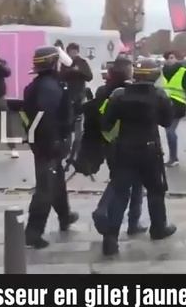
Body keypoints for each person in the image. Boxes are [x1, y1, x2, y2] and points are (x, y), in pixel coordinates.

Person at [100, 58, 176, 256]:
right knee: (155, 191)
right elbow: (167, 122)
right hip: (150, 149)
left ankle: (110, 238)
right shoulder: (159, 95)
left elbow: (106, 123)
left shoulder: (119, 95)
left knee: (120, 193)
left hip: (125, 149)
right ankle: (158, 228)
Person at [22, 46, 79, 249]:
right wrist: (54, 142)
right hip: (48, 143)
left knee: (57, 180)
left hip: (42, 141)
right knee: (46, 188)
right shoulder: (49, 88)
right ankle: (33, 232)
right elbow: (46, 117)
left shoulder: (41, 84)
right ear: (53, 63)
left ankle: (65, 216)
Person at [91, 58, 147, 236]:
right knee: (134, 181)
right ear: (127, 71)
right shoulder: (128, 91)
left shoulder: (102, 90)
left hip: (107, 140)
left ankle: (124, 218)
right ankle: (126, 219)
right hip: (127, 140)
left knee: (118, 178)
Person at [59, 42, 93, 159]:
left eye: (75, 51)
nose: (73, 53)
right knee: (68, 123)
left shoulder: (82, 62)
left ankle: (77, 150)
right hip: (68, 96)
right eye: (71, 51)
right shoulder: (65, 63)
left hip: (80, 96)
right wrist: (71, 71)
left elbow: (89, 76)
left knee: (79, 124)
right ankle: (66, 149)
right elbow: (61, 76)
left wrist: (79, 71)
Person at [162, 51, 186, 167]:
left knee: (170, 131)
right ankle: (172, 157)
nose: (169, 60)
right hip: (165, 105)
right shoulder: (162, 71)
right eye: (167, 58)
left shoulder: (183, 71)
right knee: (168, 132)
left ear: (176, 59)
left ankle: (173, 158)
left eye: (171, 58)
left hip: (179, 105)